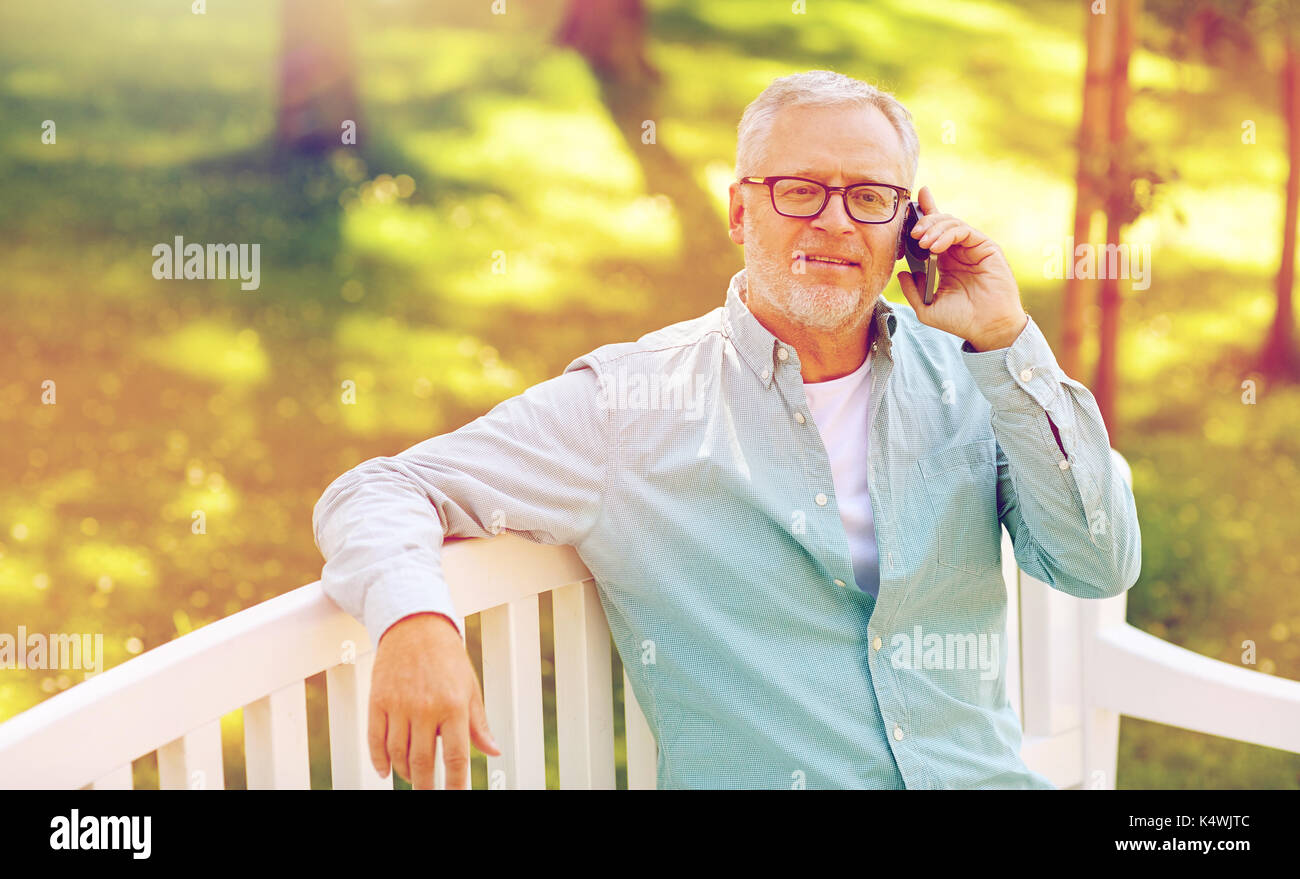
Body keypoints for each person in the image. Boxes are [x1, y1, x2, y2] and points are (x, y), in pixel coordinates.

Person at [312, 69, 1141, 790]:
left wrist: (1003, 342)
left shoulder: (971, 374)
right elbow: (382, 487)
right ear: (740, 211)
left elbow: (1096, 561)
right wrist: (415, 619)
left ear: (909, 225)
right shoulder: (627, 408)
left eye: (870, 196)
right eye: (800, 190)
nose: (836, 221)